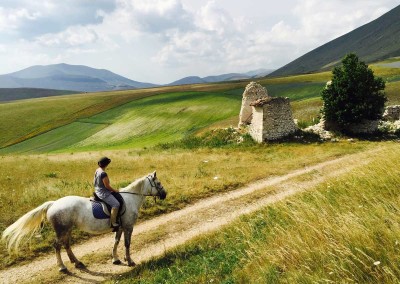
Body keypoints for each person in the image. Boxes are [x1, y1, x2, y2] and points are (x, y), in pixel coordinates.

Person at [94, 157, 120, 231]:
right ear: (106, 164)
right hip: (103, 193)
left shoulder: (97, 170)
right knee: (116, 204)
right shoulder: (103, 173)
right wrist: (115, 190)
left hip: (97, 190)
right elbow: (107, 186)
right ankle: (113, 223)